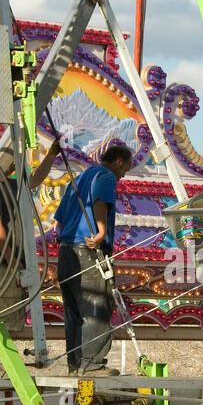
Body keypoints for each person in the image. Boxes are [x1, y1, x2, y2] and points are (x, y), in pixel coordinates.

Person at [54, 143, 133, 375]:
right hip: (87, 250)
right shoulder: (105, 175)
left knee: (74, 311)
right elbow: (99, 201)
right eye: (126, 167)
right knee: (96, 305)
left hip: (66, 250)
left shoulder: (79, 178)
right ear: (118, 161)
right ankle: (93, 363)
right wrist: (100, 232)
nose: (124, 173)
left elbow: (59, 218)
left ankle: (75, 363)